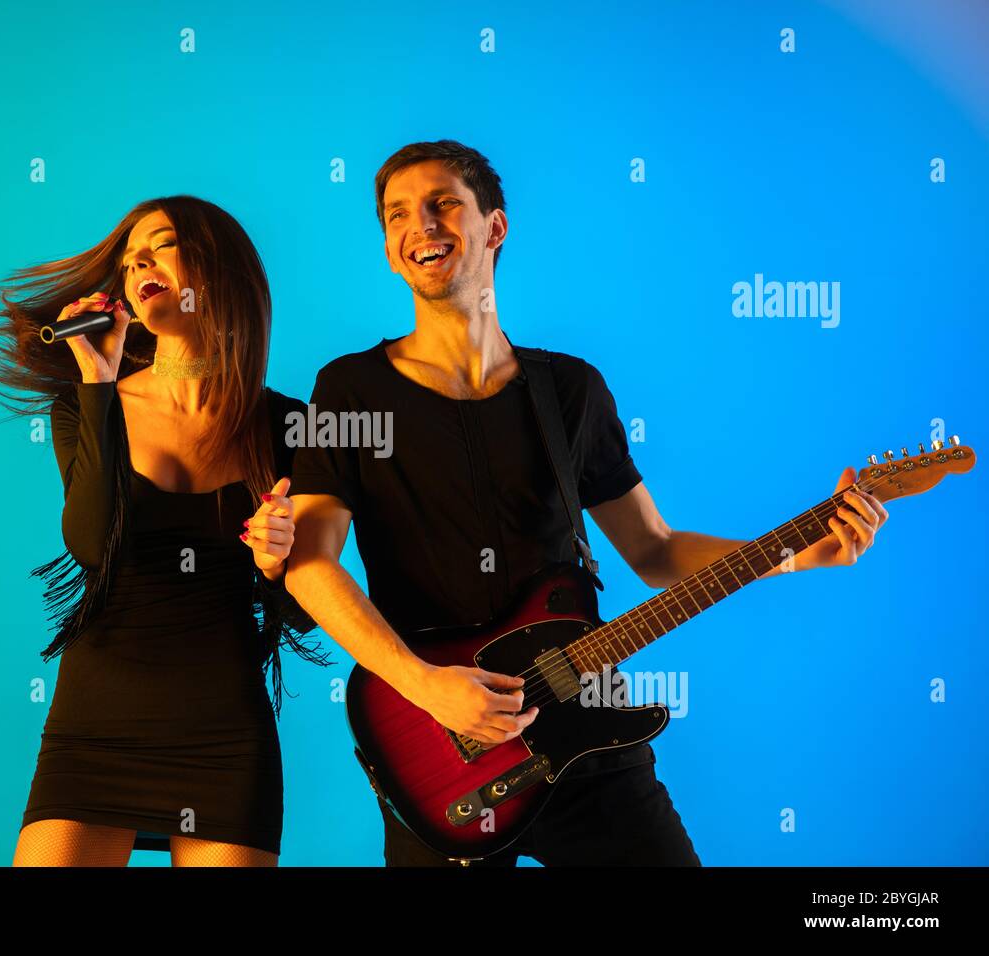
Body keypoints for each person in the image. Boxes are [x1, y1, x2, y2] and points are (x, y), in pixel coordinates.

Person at [283, 140, 888, 866]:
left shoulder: (569, 390)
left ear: (493, 228)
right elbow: (309, 562)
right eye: (397, 214)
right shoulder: (347, 390)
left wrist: (797, 554)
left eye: (443, 203)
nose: (421, 226)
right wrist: (427, 687)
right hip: (441, 746)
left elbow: (655, 552)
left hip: (587, 726)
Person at [0, 195, 330, 867]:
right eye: (132, 254)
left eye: (161, 244)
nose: (139, 260)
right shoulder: (84, 402)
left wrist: (280, 567)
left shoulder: (289, 425)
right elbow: (88, 542)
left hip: (224, 732)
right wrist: (97, 383)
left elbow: (307, 614)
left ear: (218, 269)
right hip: (96, 722)